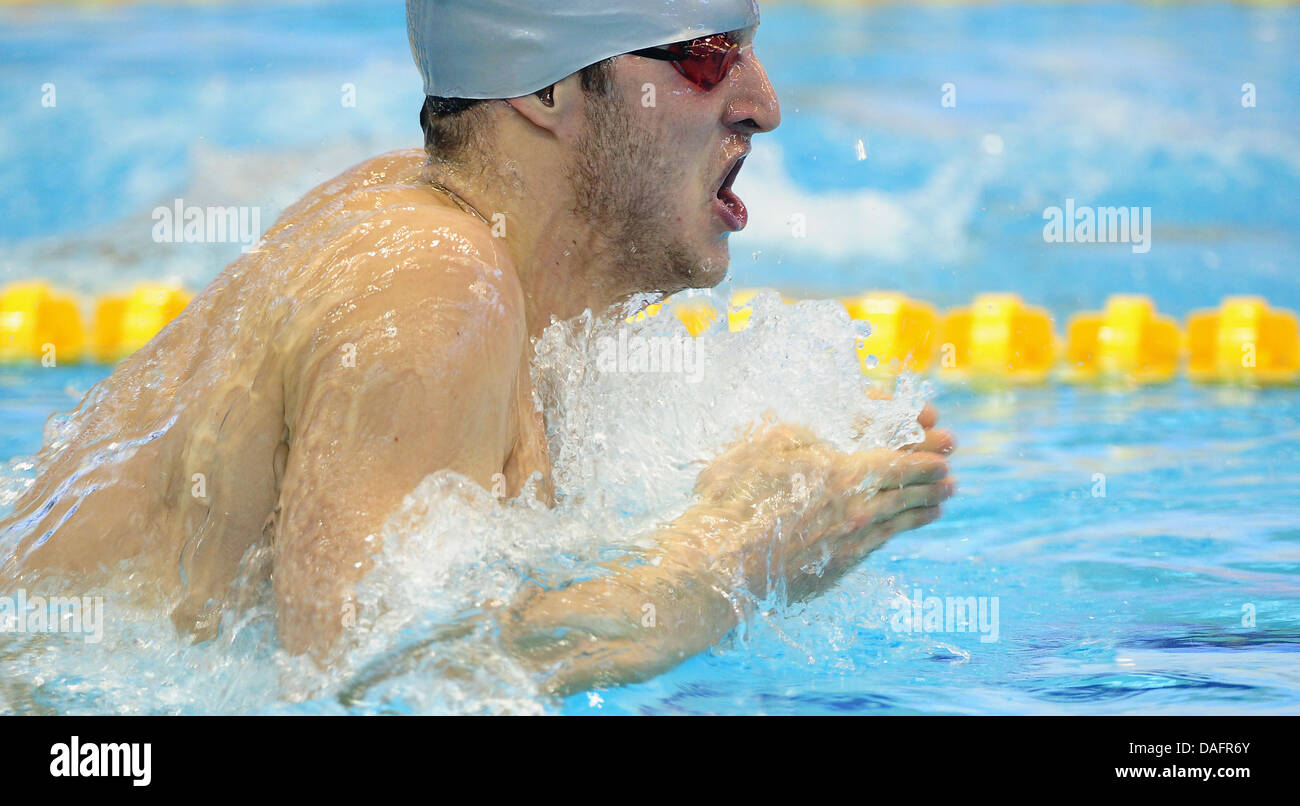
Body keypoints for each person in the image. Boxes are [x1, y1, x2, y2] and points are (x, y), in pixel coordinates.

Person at [0, 0, 954, 695]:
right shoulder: (434, 287)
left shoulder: (474, 255)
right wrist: (727, 566)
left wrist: (739, 499)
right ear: (544, 89)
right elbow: (365, 687)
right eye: (708, 55)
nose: (763, 103)